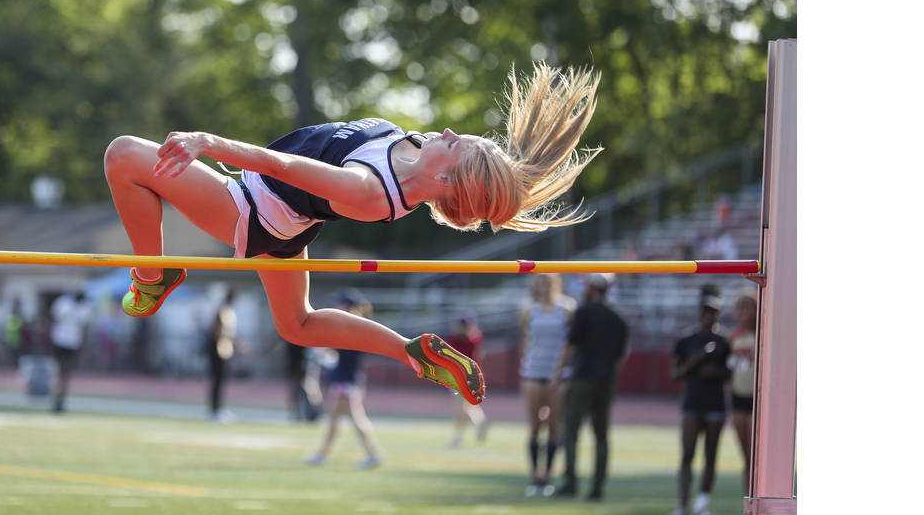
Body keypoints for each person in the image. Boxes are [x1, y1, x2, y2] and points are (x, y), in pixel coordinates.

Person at [102, 62, 601, 404]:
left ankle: (152, 276)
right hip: (284, 225)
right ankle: (411, 351)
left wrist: (205, 141)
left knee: (124, 156)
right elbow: (484, 178)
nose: (447, 133)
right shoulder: (419, 153)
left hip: (248, 211)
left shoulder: (368, 190)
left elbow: (284, 165)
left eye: (455, 145)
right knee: (296, 324)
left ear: (445, 179)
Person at [553, 273, 629, 501]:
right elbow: (621, 357)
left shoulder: (583, 313)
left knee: (571, 431)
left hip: (583, 377)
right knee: (601, 435)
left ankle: (571, 482)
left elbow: (571, 346)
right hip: (606, 380)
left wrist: (559, 372)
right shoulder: (618, 318)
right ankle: (597, 487)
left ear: (594, 289)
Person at [666, 287, 732, 515]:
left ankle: (702, 505)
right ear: (698, 312)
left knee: (711, 456)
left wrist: (718, 372)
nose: (708, 315)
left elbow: (732, 372)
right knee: (687, 454)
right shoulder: (687, 340)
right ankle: (682, 507)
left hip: (715, 402)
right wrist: (693, 363)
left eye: (713, 311)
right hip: (692, 402)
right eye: (705, 311)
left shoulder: (725, 341)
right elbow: (674, 373)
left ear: (719, 313)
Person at [304, 290, 383, 469]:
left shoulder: (352, 325)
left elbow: (338, 349)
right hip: (346, 379)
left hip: (345, 380)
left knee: (354, 420)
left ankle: (372, 455)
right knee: (335, 420)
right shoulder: (356, 325)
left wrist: (321, 351)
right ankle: (323, 454)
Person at [518, 272, 576, 496]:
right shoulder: (527, 309)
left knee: (554, 427)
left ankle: (548, 476)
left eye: (547, 280)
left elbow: (571, 341)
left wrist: (561, 369)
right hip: (533, 371)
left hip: (558, 374)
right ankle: (534, 476)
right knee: (534, 426)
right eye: (539, 280)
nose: (543, 284)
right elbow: (525, 338)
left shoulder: (568, 308)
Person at [727, 288, 758, 515]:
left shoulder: (763, 336)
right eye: (741, 307)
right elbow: (730, 369)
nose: (744, 312)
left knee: (759, 457)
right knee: (747, 456)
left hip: (757, 400)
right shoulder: (734, 337)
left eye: (749, 306)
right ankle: (747, 509)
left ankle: (760, 504)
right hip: (739, 399)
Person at [444, 313, 490, 449]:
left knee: (461, 409)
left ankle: (458, 437)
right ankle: (480, 422)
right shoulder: (476, 337)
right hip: (474, 375)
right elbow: (480, 354)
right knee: (467, 406)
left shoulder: (455, 339)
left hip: (460, 376)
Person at [50, 292, 91, 413]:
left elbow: (84, 326)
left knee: (66, 373)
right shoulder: (63, 303)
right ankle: (57, 399)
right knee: (60, 372)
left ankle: (60, 400)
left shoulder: (84, 307)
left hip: (73, 343)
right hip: (60, 341)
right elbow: (55, 317)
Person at [205, 286, 238, 423]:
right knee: (217, 380)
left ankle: (217, 408)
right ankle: (215, 409)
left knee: (220, 380)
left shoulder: (227, 310)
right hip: (219, 349)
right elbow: (218, 331)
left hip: (224, 349)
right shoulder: (222, 310)